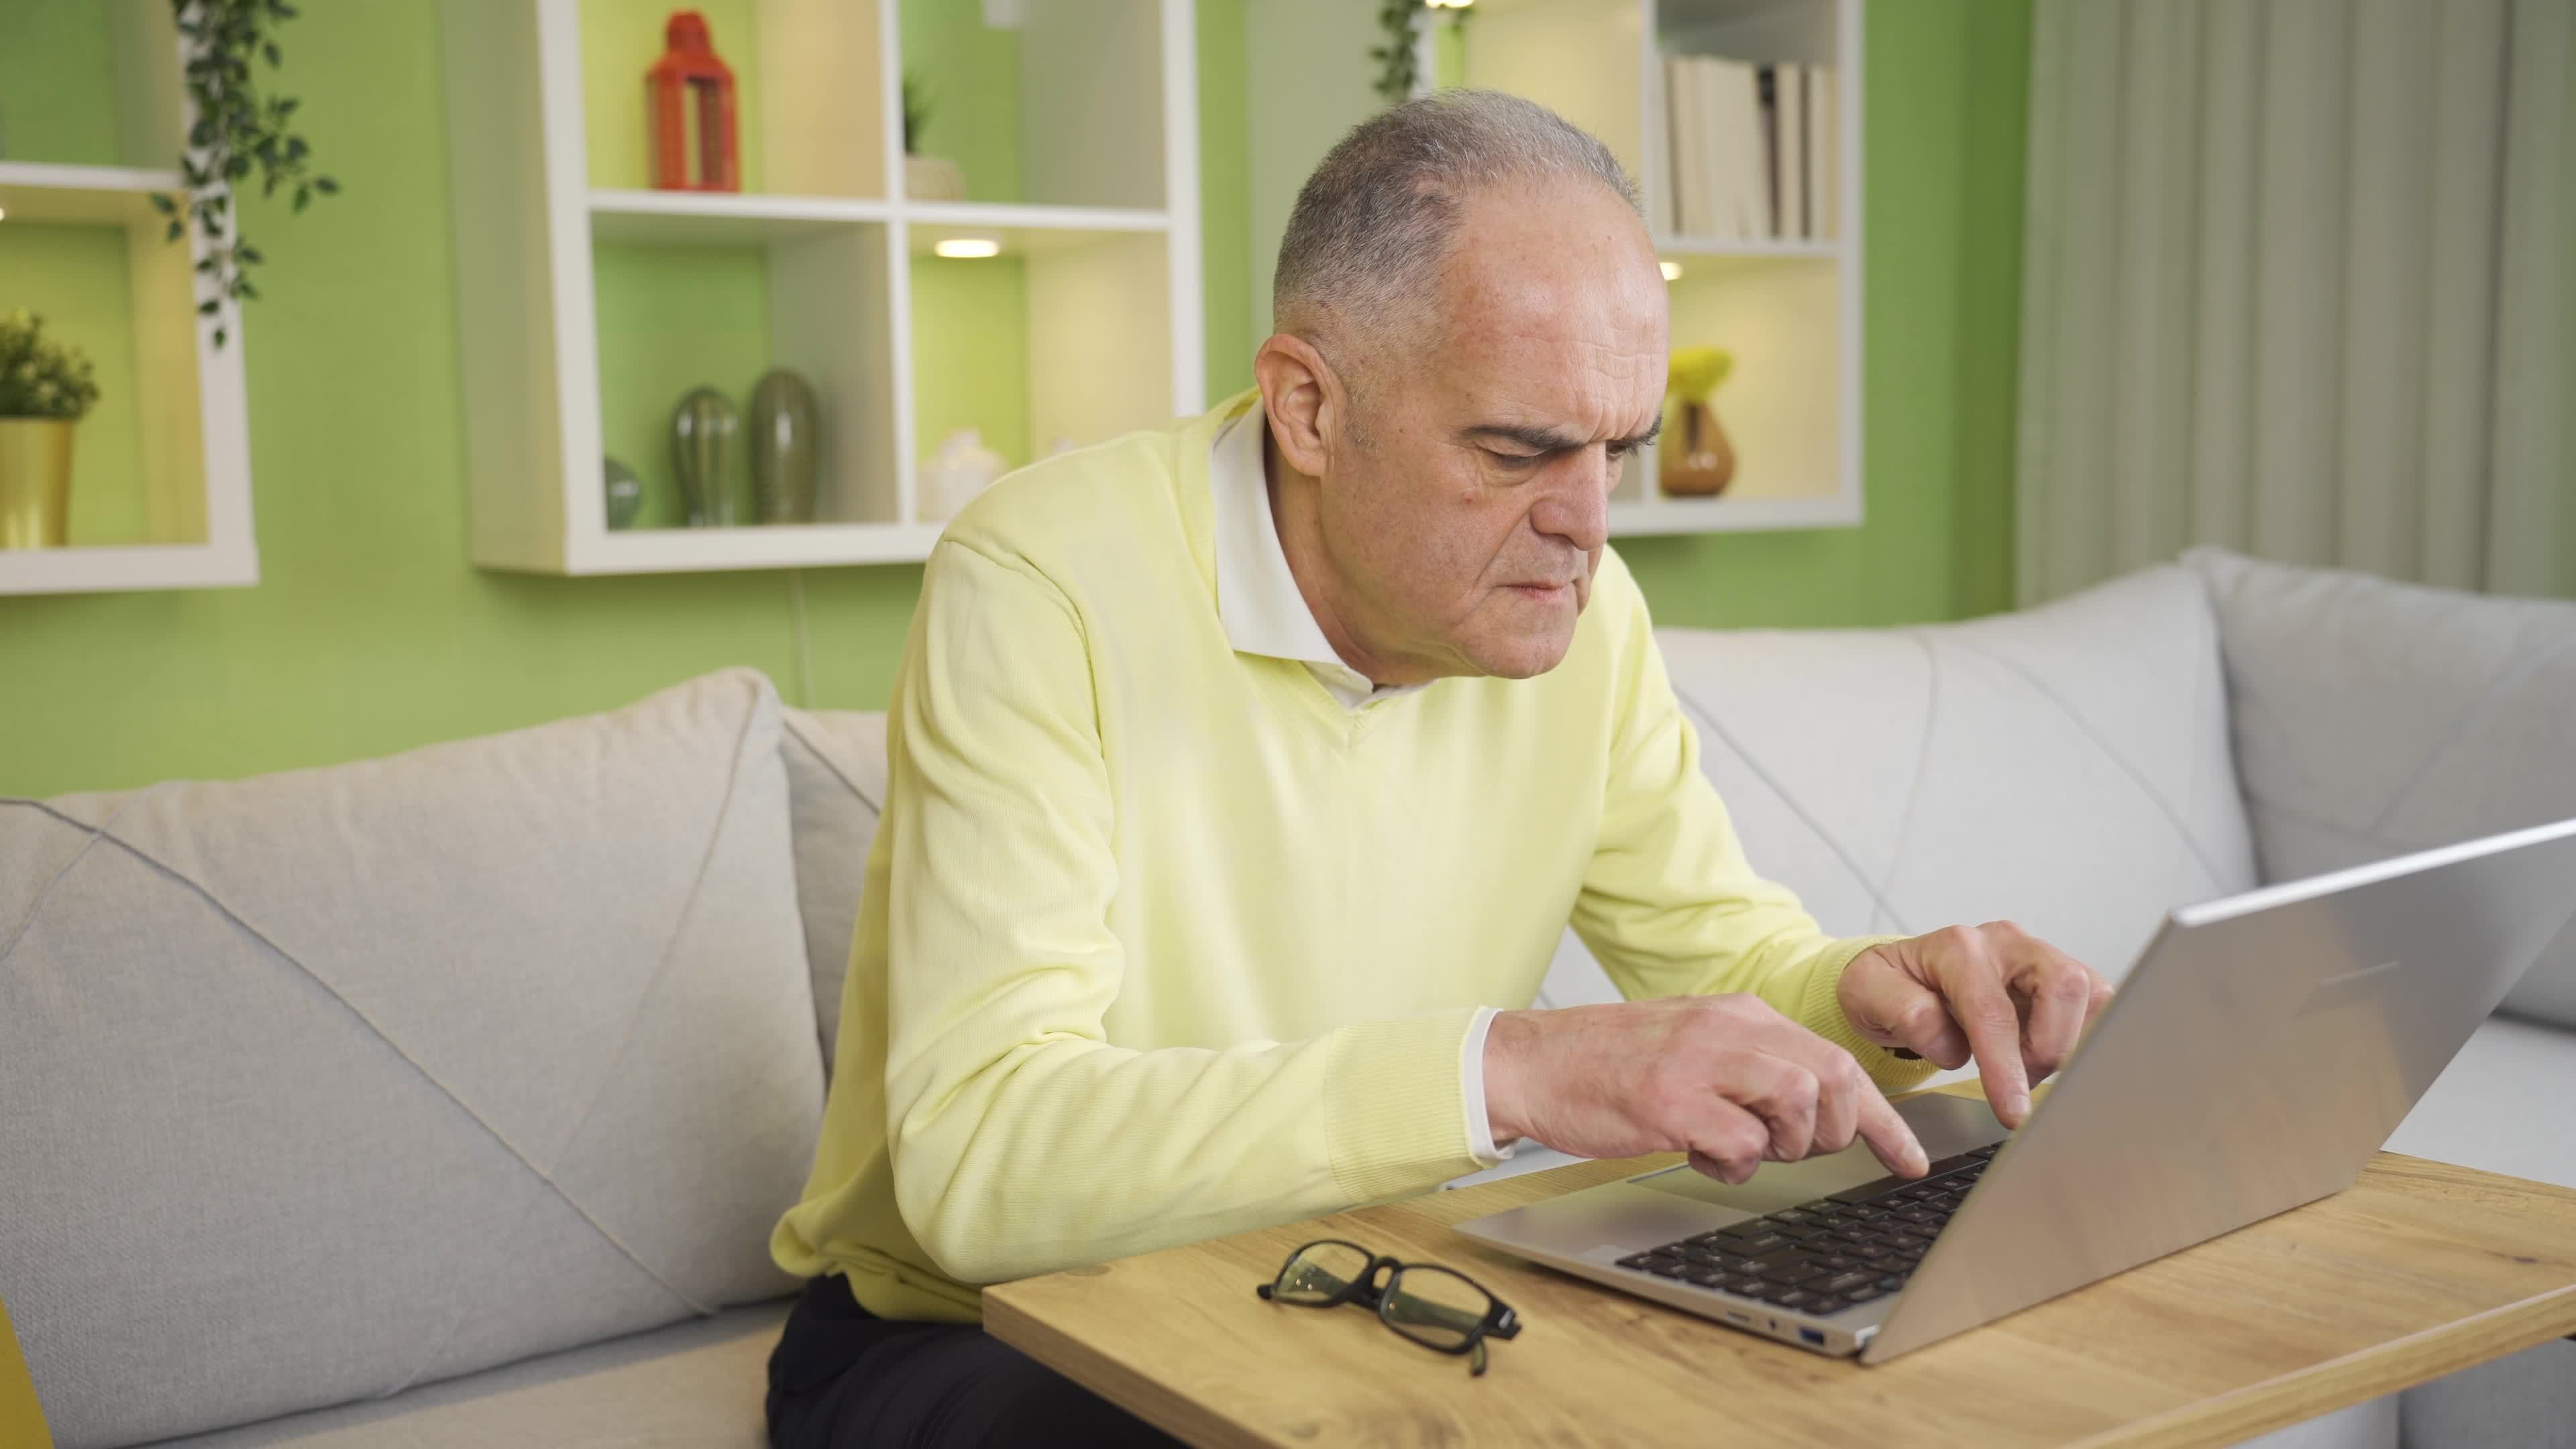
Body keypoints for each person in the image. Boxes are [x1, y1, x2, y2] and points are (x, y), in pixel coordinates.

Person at [765, 90, 2112, 1448]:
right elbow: (983, 1160)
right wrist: (1508, 1074)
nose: (1587, 527)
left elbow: (1717, 955)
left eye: (1617, 452)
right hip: (982, 1324)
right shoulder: (1042, 578)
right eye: (1519, 450)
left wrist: (1871, 998)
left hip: (1358, 1280)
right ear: (1307, 404)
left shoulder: (1582, 611)